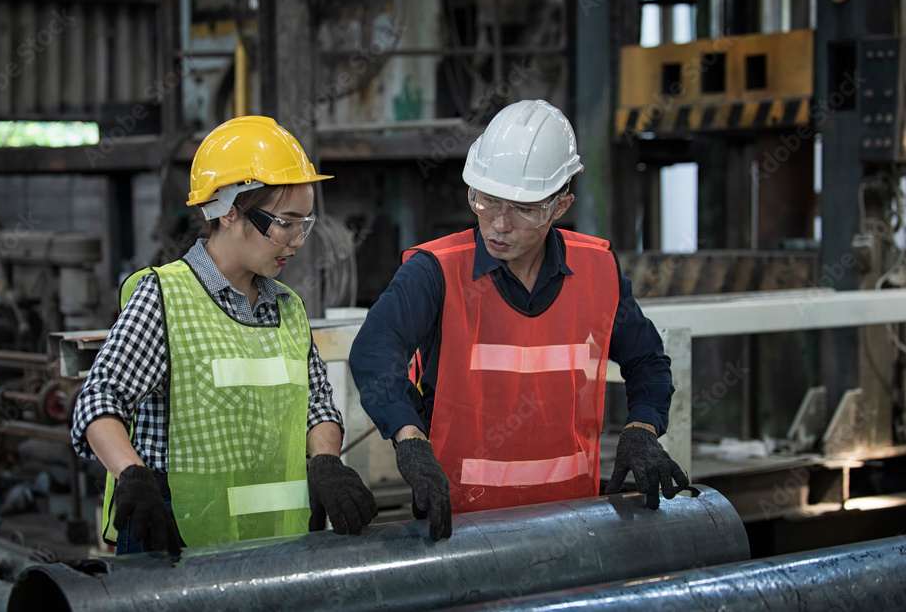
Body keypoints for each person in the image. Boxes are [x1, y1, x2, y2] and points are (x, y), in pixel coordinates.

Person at [349, 99, 688, 541]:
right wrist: (409, 438)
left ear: (560, 205)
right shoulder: (436, 271)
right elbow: (375, 354)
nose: (499, 225)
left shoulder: (598, 272)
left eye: (523, 208)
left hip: (574, 526)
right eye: (486, 200)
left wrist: (642, 429)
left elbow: (648, 362)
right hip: (459, 532)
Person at [71, 116, 377, 556]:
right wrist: (132, 474)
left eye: (304, 224)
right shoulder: (165, 297)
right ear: (229, 210)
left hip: (275, 539)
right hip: (173, 534)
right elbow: (99, 399)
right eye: (285, 223)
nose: (297, 240)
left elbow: (318, 404)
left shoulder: (287, 307)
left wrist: (326, 461)